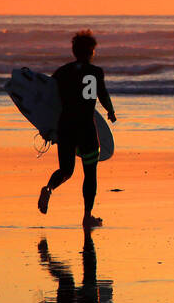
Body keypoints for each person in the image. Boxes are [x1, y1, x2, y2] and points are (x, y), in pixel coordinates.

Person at [37, 30, 116, 229]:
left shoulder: (62, 72)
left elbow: (49, 100)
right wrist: (111, 111)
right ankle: (87, 216)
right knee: (90, 174)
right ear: (91, 51)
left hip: (66, 126)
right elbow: (103, 95)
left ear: (74, 51)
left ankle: (48, 188)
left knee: (66, 170)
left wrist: (45, 126)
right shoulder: (96, 72)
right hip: (86, 128)